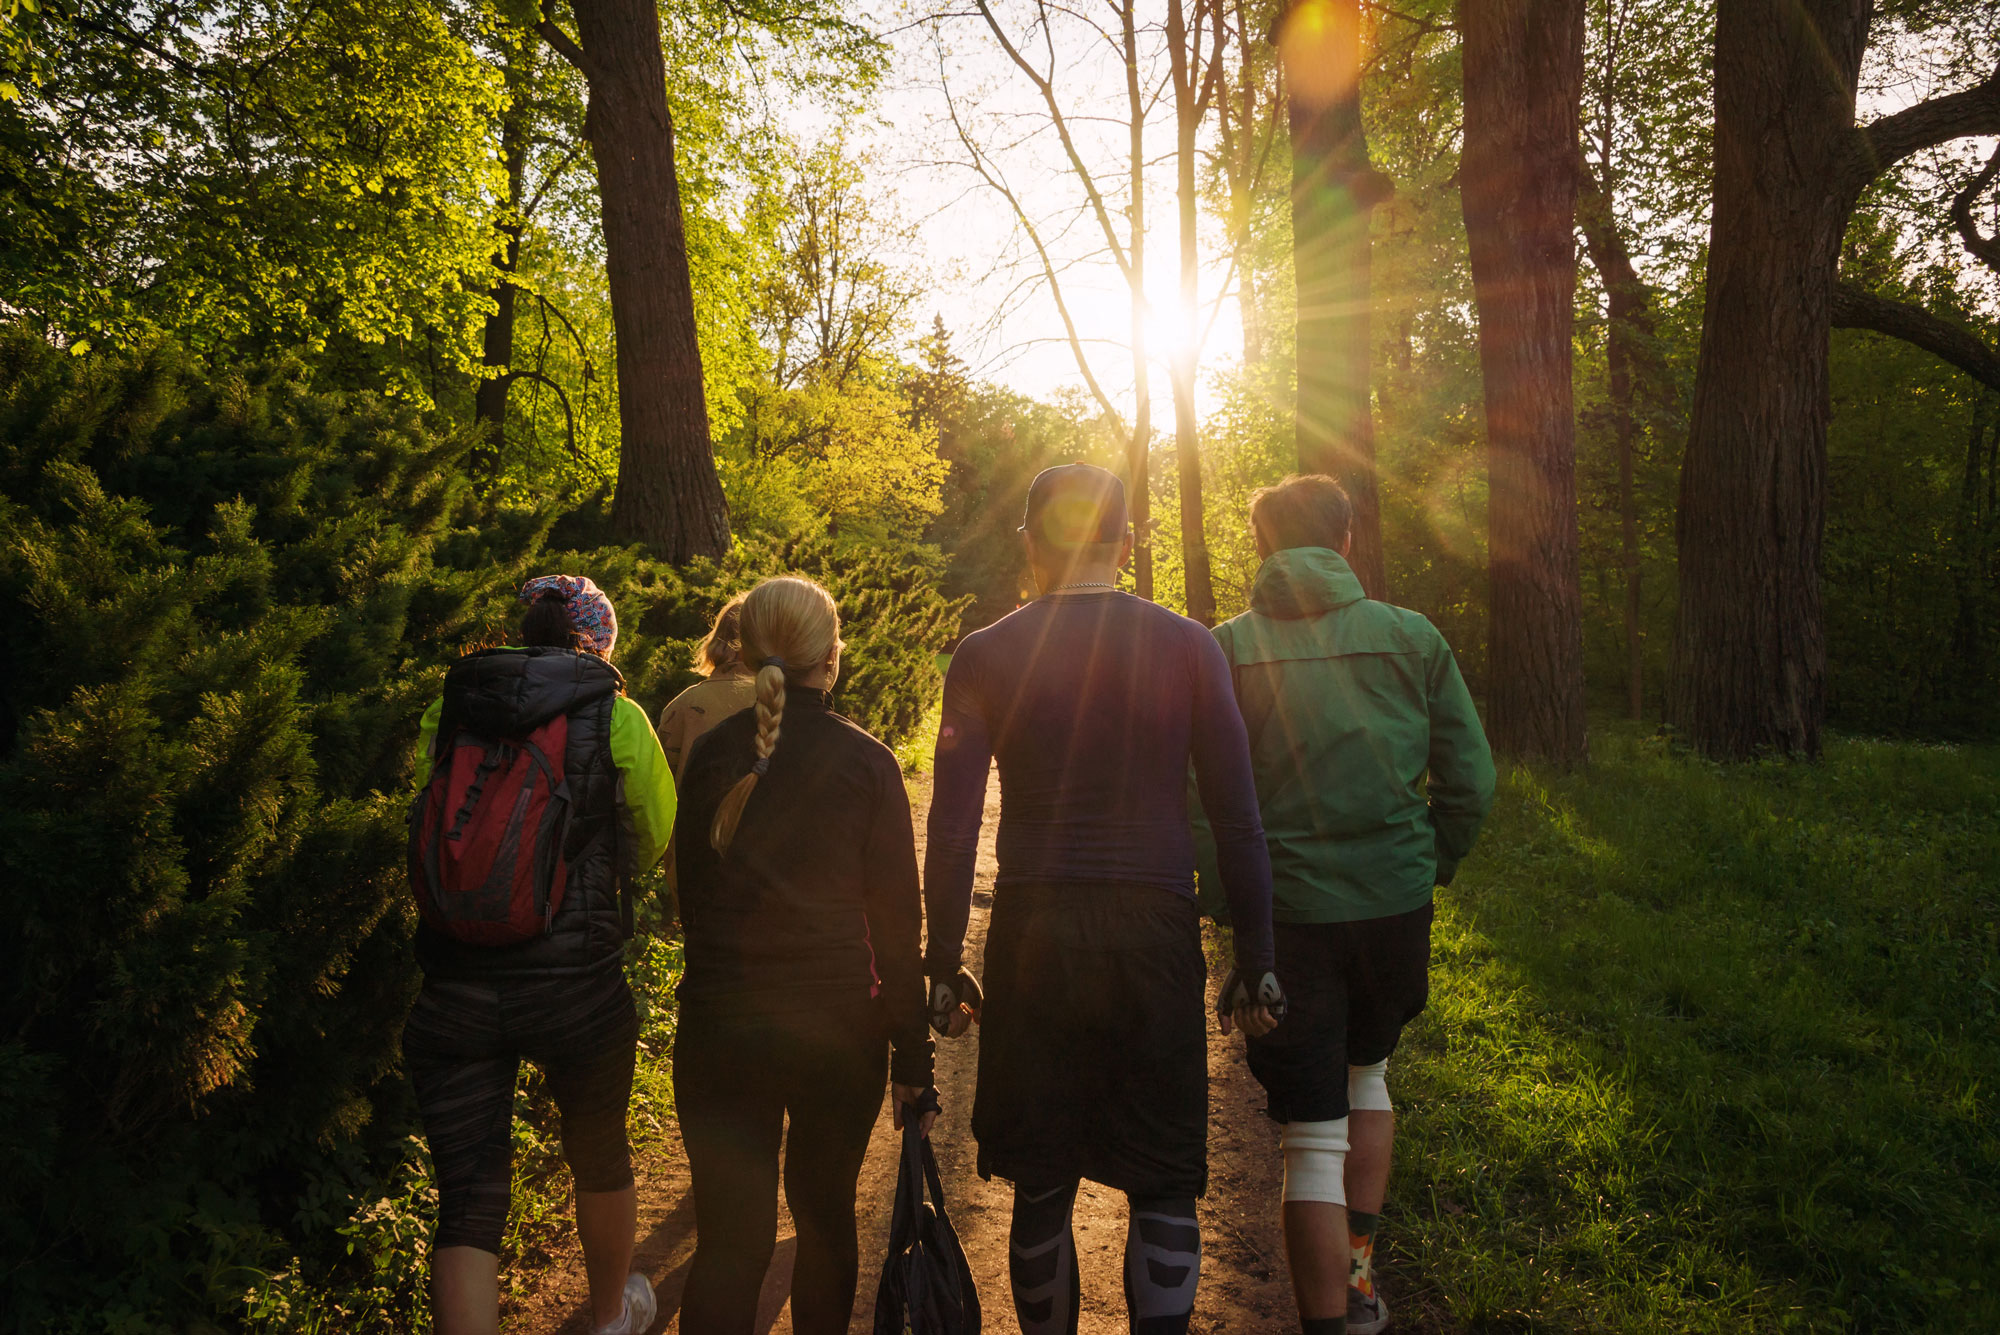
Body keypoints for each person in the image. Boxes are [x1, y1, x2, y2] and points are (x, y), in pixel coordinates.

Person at [924, 462, 1283, 1335]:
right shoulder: (1192, 647)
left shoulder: (984, 654)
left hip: (1034, 935)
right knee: (1163, 1180)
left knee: (1043, 1177)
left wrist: (943, 963)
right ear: (1126, 545)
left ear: (1028, 548)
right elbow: (1239, 819)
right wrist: (1260, 960)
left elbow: (951, 826)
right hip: (1154, 932)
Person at [1196, 476, 1496, 1335]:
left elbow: (1199, 796)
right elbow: (1471, 779)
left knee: (1310, 1134)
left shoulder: (1224, 649)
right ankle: (1358, 1279)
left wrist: (1226, 905)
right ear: (1347, 541)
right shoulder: (1412, 638)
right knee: (1368, 1071)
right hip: (1394, 908)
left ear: (1263, 547)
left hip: (1284, 918)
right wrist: (1426, 860)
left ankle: (1336, 1322)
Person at [404, 574, 676, 1335]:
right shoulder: (615, 715)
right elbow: (654, 834)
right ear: (600, 642)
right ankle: (610, 1316)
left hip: (454, 983)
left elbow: (431, 817)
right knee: (599, 1152)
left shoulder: (451, 704)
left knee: (467, 1196)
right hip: (577, 988)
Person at [671, 575, 936, 1335]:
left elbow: (694, 902)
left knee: (730, 1238)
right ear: (833, 656)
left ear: (747, 653)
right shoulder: (868, 763)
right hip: (837, 1033)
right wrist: (912, 1061)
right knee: (824, 1221)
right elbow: (896, 924)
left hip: (721, 1027)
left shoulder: (715, 756)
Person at [655, 593, 757, 893]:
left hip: (694, 869)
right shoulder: (782, 702)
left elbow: (661, 795)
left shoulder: (682, 706)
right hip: (769, 871)